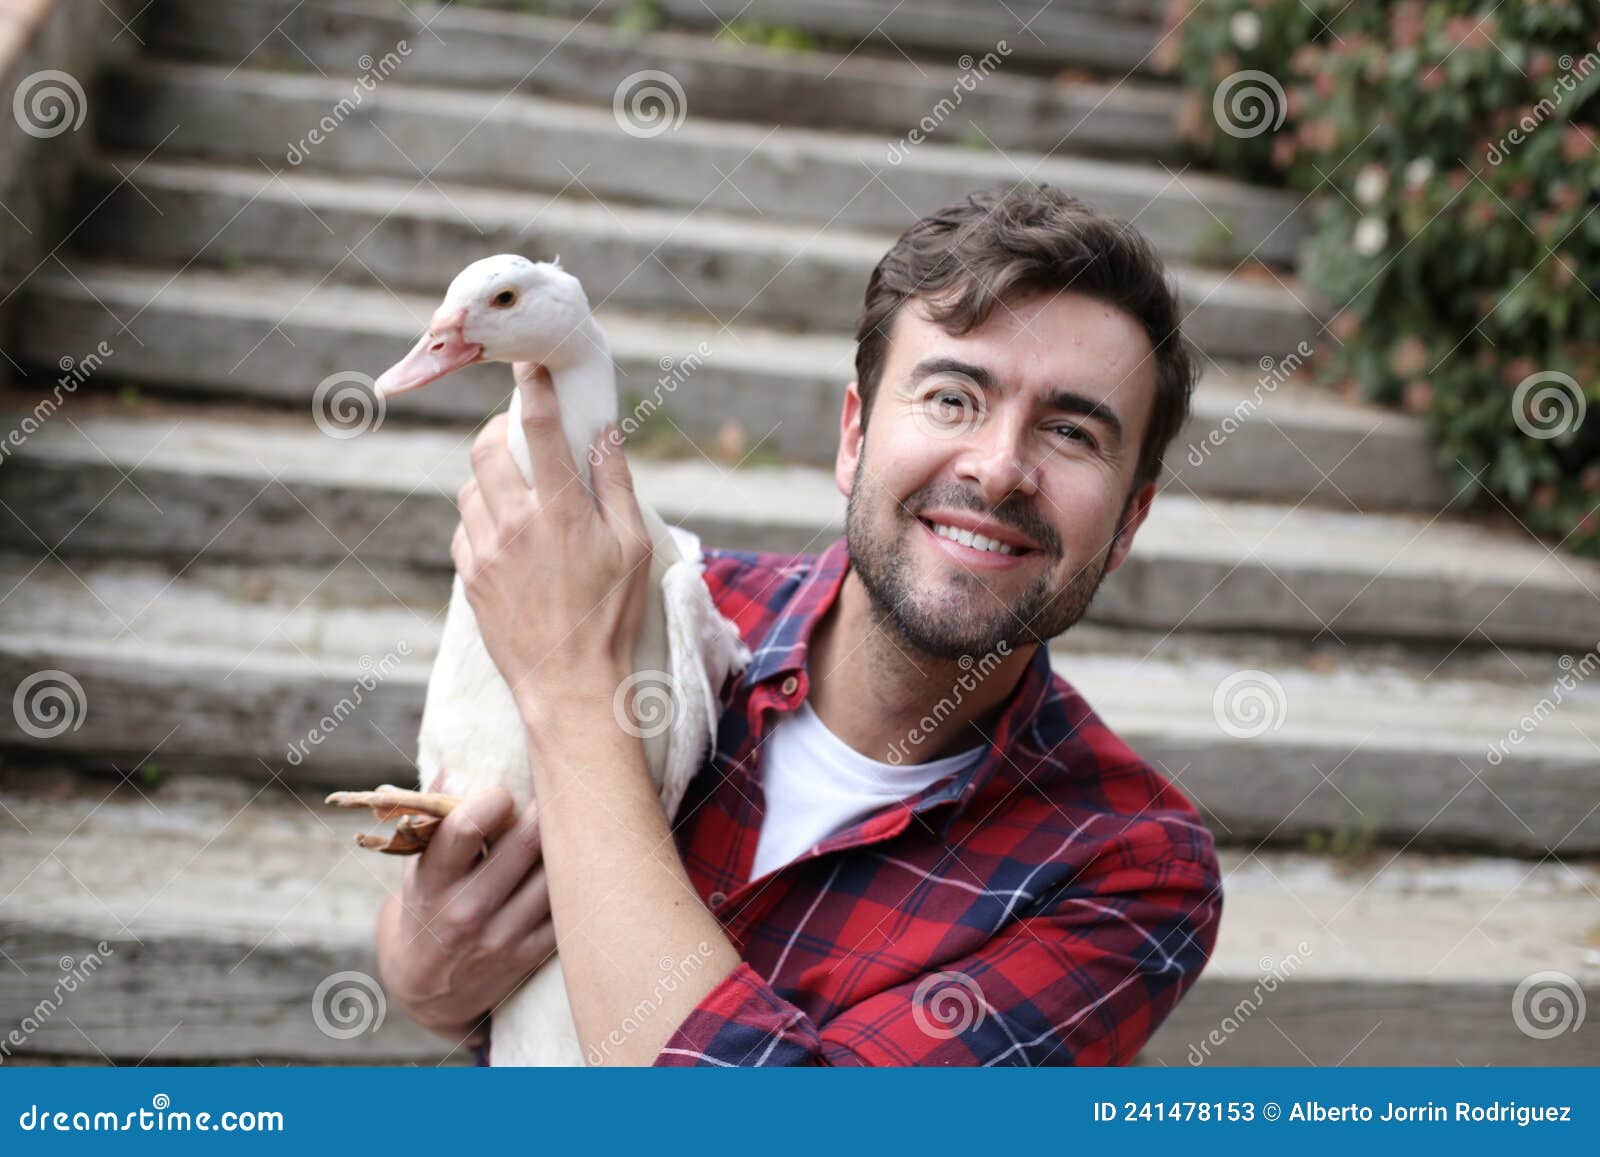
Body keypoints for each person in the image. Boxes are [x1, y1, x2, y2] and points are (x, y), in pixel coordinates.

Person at [375, 184, 1223, 1066]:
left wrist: (570, 688)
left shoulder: (1134, 871)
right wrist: (417, 957)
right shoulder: (687, 613)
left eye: (1072, 433)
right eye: (951, 399)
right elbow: (439, 933)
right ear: (853, 437)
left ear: (1129, 520)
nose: (1000, 467)